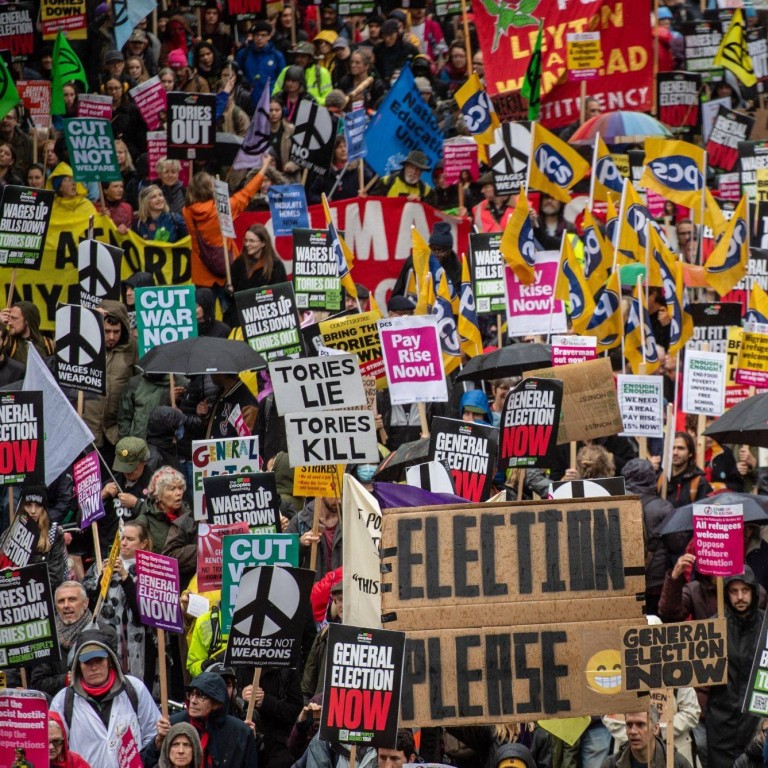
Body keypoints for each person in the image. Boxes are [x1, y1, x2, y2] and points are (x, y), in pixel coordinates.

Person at [50, 631, 160, 767]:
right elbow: (54, 747)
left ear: (110, 661)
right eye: (87, 662)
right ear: (78, 665)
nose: (94, 667)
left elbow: (153, 734)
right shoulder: (63, 700)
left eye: (99, 660)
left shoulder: (134, 689)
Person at [183, 155, 271, 305]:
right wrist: (264, 167)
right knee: (229, 312)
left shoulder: (186, 211)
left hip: (201, 274)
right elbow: (247, 192)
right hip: (227, 270)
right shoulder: (223, 208)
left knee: (203, 316)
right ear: (210, 188)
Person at [83, 520, 156, 690]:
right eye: (122, 538)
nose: (124, 543)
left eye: (130, 539)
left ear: (144, 543)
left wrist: (125, 577)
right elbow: (90, 604)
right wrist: (103, 577)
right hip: (109, 638)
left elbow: (143, 613)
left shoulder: (151, 568)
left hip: (140, 645)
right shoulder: (101, 564)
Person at [707, 568, 764, 768]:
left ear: (754, 592)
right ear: (726, 593)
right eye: (733, 591)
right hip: (721, 725)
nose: (740, 597)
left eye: (745, 590)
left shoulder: (766, 626)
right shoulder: (714, 626)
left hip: (755, 722)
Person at [142, 671, 258, 768]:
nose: (193, 700)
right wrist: (158, 742)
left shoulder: (240, 732)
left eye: (201, 695)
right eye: (191, 694)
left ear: (217, 703)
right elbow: (143, 762)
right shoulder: (174, 724)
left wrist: (256, 741)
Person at [621, 459, 675, 616]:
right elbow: (675, 545)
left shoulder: (618, 504)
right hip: (656, 581)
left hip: (628, 580)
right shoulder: (663, 507)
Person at [31, 581, 94, 698]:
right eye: (61, 601)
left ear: (86, 603)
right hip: (61, 707)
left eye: (72, 599)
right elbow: (38, 683)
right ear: (56, 606)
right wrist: (65, 679)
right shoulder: (45, 637)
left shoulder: (102, 631)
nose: (66, 605)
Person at [4, 485, 67, 593]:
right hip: (16, 597)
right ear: (22, 507)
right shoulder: (9, 534)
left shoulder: (53, 534)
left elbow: (55, 578)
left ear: (44, 509)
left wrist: (28, 590)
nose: (33, 511)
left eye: (38, 506)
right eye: (28, 505)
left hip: (44, 597)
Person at [600, 708, 690, 768]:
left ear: (656, 728)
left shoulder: (676, 763)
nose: (633, 731)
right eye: (629, 724)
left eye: (640, 724)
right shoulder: (611, 765)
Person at [136, 466, 189, 554]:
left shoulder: (189, 516)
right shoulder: (145, 521)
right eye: (172, 489)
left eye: (180, 488)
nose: (179, 493)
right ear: (158, 495)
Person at [236, 20, 286, 109]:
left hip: (270, 104)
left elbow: (282, 80)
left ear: (269, 36)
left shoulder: (277, 56)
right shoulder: (243, 54)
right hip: (248, 103)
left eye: (263, 35)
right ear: (253, 36)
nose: (260, 38)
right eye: (257, 35)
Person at [661, 431, 711, 508]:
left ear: (690, 453)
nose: (675, 452)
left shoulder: (699, 482)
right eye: (672, 448)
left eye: (680, 448)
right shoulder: (661, 478)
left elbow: (704, 514)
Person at [0, 300, 55, 365]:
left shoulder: (47, 343)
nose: (9, 322)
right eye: (9, 318)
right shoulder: (8, 342)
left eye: (14, 318)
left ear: (27, 320)